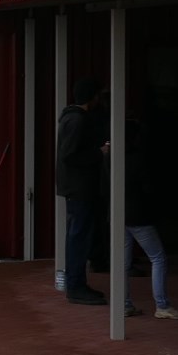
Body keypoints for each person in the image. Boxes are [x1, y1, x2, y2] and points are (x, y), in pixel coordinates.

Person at [121, 113, 178, 320]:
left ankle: (124, 303)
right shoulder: (139, 159)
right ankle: (162, 304)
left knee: (122, 261)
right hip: (139, 215)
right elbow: (148, 188)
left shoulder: (111, 157)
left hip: (119, 215)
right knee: (158, 258)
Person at [53, 78, 106, 306]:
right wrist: (100, 152)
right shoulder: (77, 121)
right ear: (92, 96)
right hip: (79, 188)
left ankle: (77, 284)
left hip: (76, 187)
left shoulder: (71, 118)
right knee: (79, 237)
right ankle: (76, 286)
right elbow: (69, 155)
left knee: (78, 236)